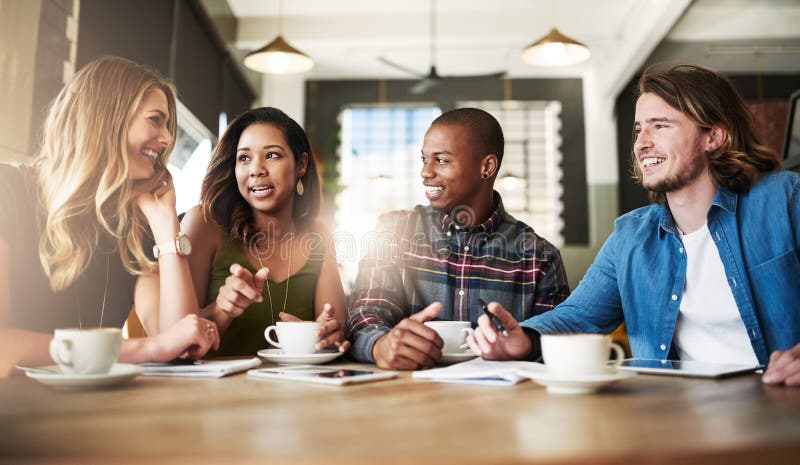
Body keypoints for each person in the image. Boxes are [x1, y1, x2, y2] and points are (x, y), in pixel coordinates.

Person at [468, 64, 800, 387]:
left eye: (661, 126)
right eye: (639, 129)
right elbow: (578, 315)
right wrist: (523, 339)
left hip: (777, 411)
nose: (641, 143)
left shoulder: (785, 199)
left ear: (712, 136)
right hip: (671, 418)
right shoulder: (631, 236)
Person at [0, 56, 220, 377]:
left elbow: (181, 345)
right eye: (156, 120)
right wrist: (148, 348)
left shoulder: (129, 226)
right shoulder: (7, 192)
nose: (168, 139)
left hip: (96, 413)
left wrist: (166, 225)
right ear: (106, 119)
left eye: (168, 126)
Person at [346, 108, 570, 370]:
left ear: (486, 167)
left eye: (440, 160)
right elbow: (364, 313)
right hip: (406, 399)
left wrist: (526, 348)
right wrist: (380, 344)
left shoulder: (540, 256)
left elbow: (556, 343)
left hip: (503, 402)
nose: (425, 172)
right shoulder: (393, 230)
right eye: (424, 159)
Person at [174, 107, 348, 357]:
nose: (256, 169)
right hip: (215, 392)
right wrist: (221, 308)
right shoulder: (204, 224)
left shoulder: (319, 235)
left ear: (301, 164)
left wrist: (329, 335)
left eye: (272, 155)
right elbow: (175, 337)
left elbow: (335, 329)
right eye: (244, 158)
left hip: (299, 390)